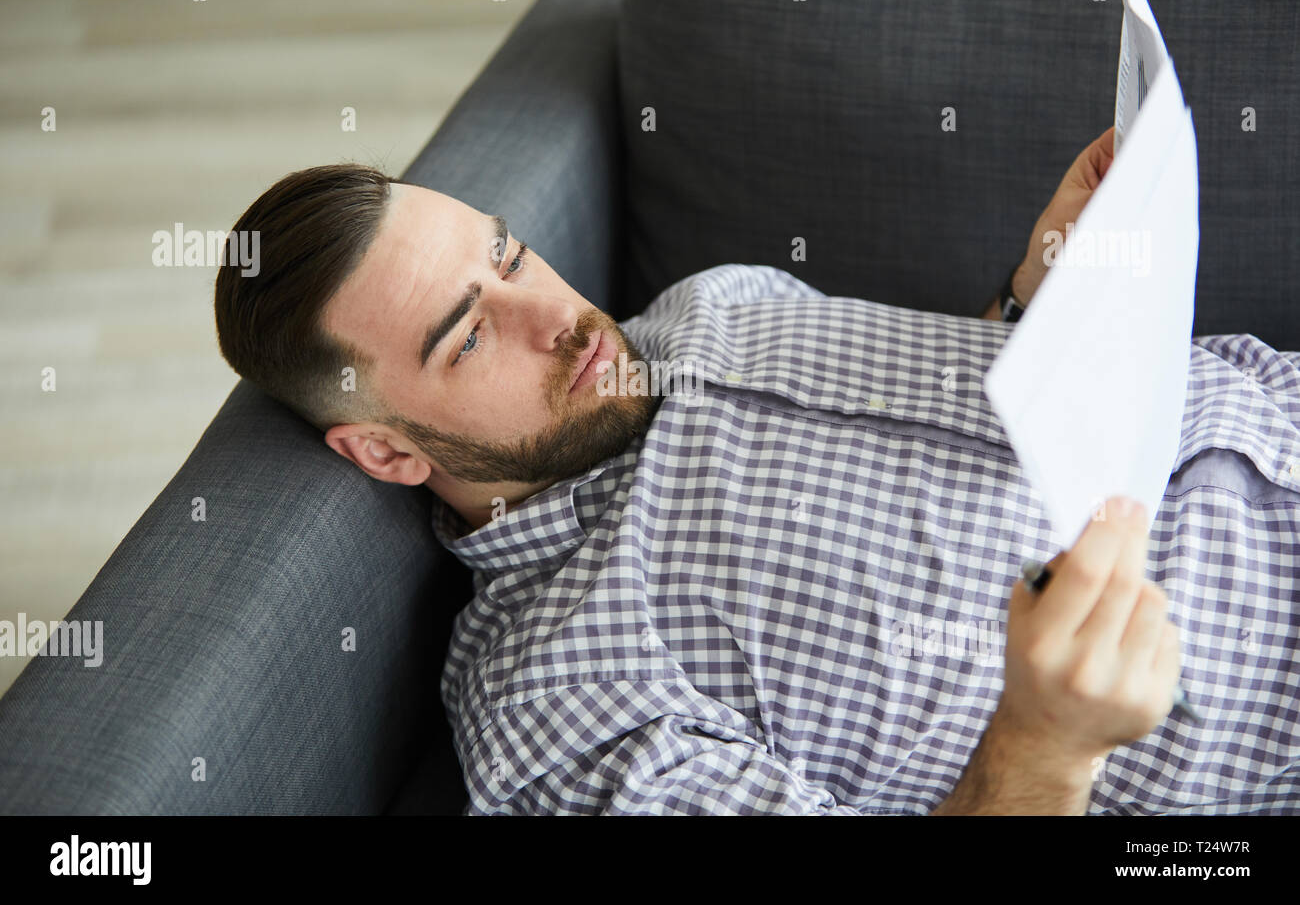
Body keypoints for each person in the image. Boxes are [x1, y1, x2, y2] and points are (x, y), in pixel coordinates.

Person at [214, 129, 1300, 814]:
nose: (557, 314)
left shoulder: (713, 300)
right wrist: (1044, 749)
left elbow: (943, 449)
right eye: (469, 336)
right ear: (389, 449)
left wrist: (1032, 301)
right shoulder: (555, 704)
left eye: (506, 256)